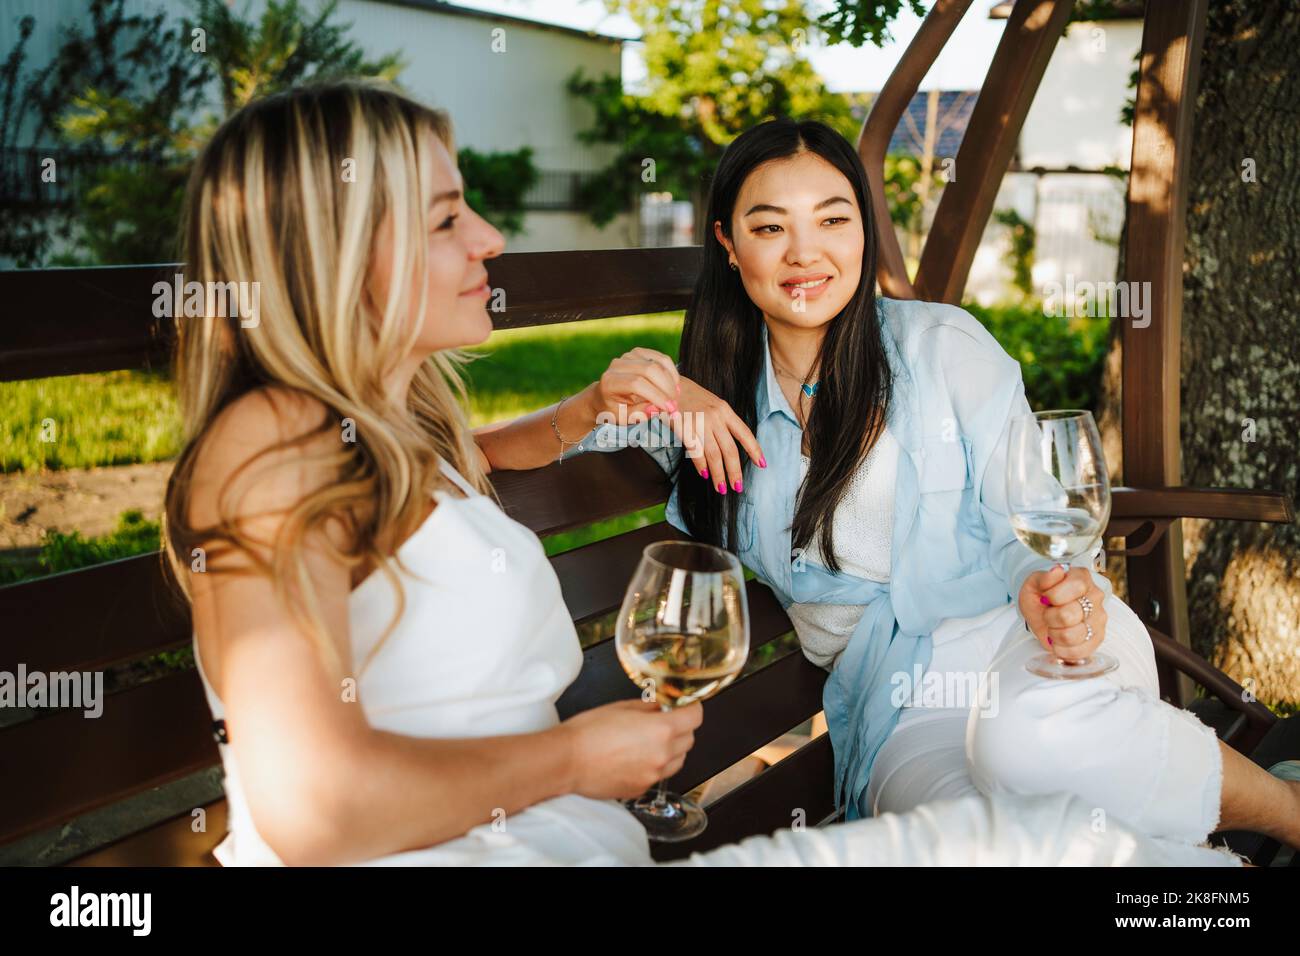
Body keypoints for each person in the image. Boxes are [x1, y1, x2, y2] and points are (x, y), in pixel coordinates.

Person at [162, 79, 1246, 867]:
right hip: (559, 828)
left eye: (833, 219)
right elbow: (310, 807)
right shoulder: (273, 452)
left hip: (585, 833)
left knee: (1048, 818)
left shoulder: (391, 431)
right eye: (450, 218)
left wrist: (583, 408)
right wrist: (576, 755)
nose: (491, 238)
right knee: (1042, 837)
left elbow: (463, 465)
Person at [566, 117, 1300, 855]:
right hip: (902, 705)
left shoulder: (939, 345)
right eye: (769, 227)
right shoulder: (705, 409)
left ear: (863, 230)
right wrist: (610, 394)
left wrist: (1044, 587)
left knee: (1025, 741)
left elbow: (1028, 515)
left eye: (833, 219)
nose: (805, 252)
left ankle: (1290, 811)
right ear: (727, 243)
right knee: (990, 849)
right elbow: (499, 455)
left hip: (1026, 635)